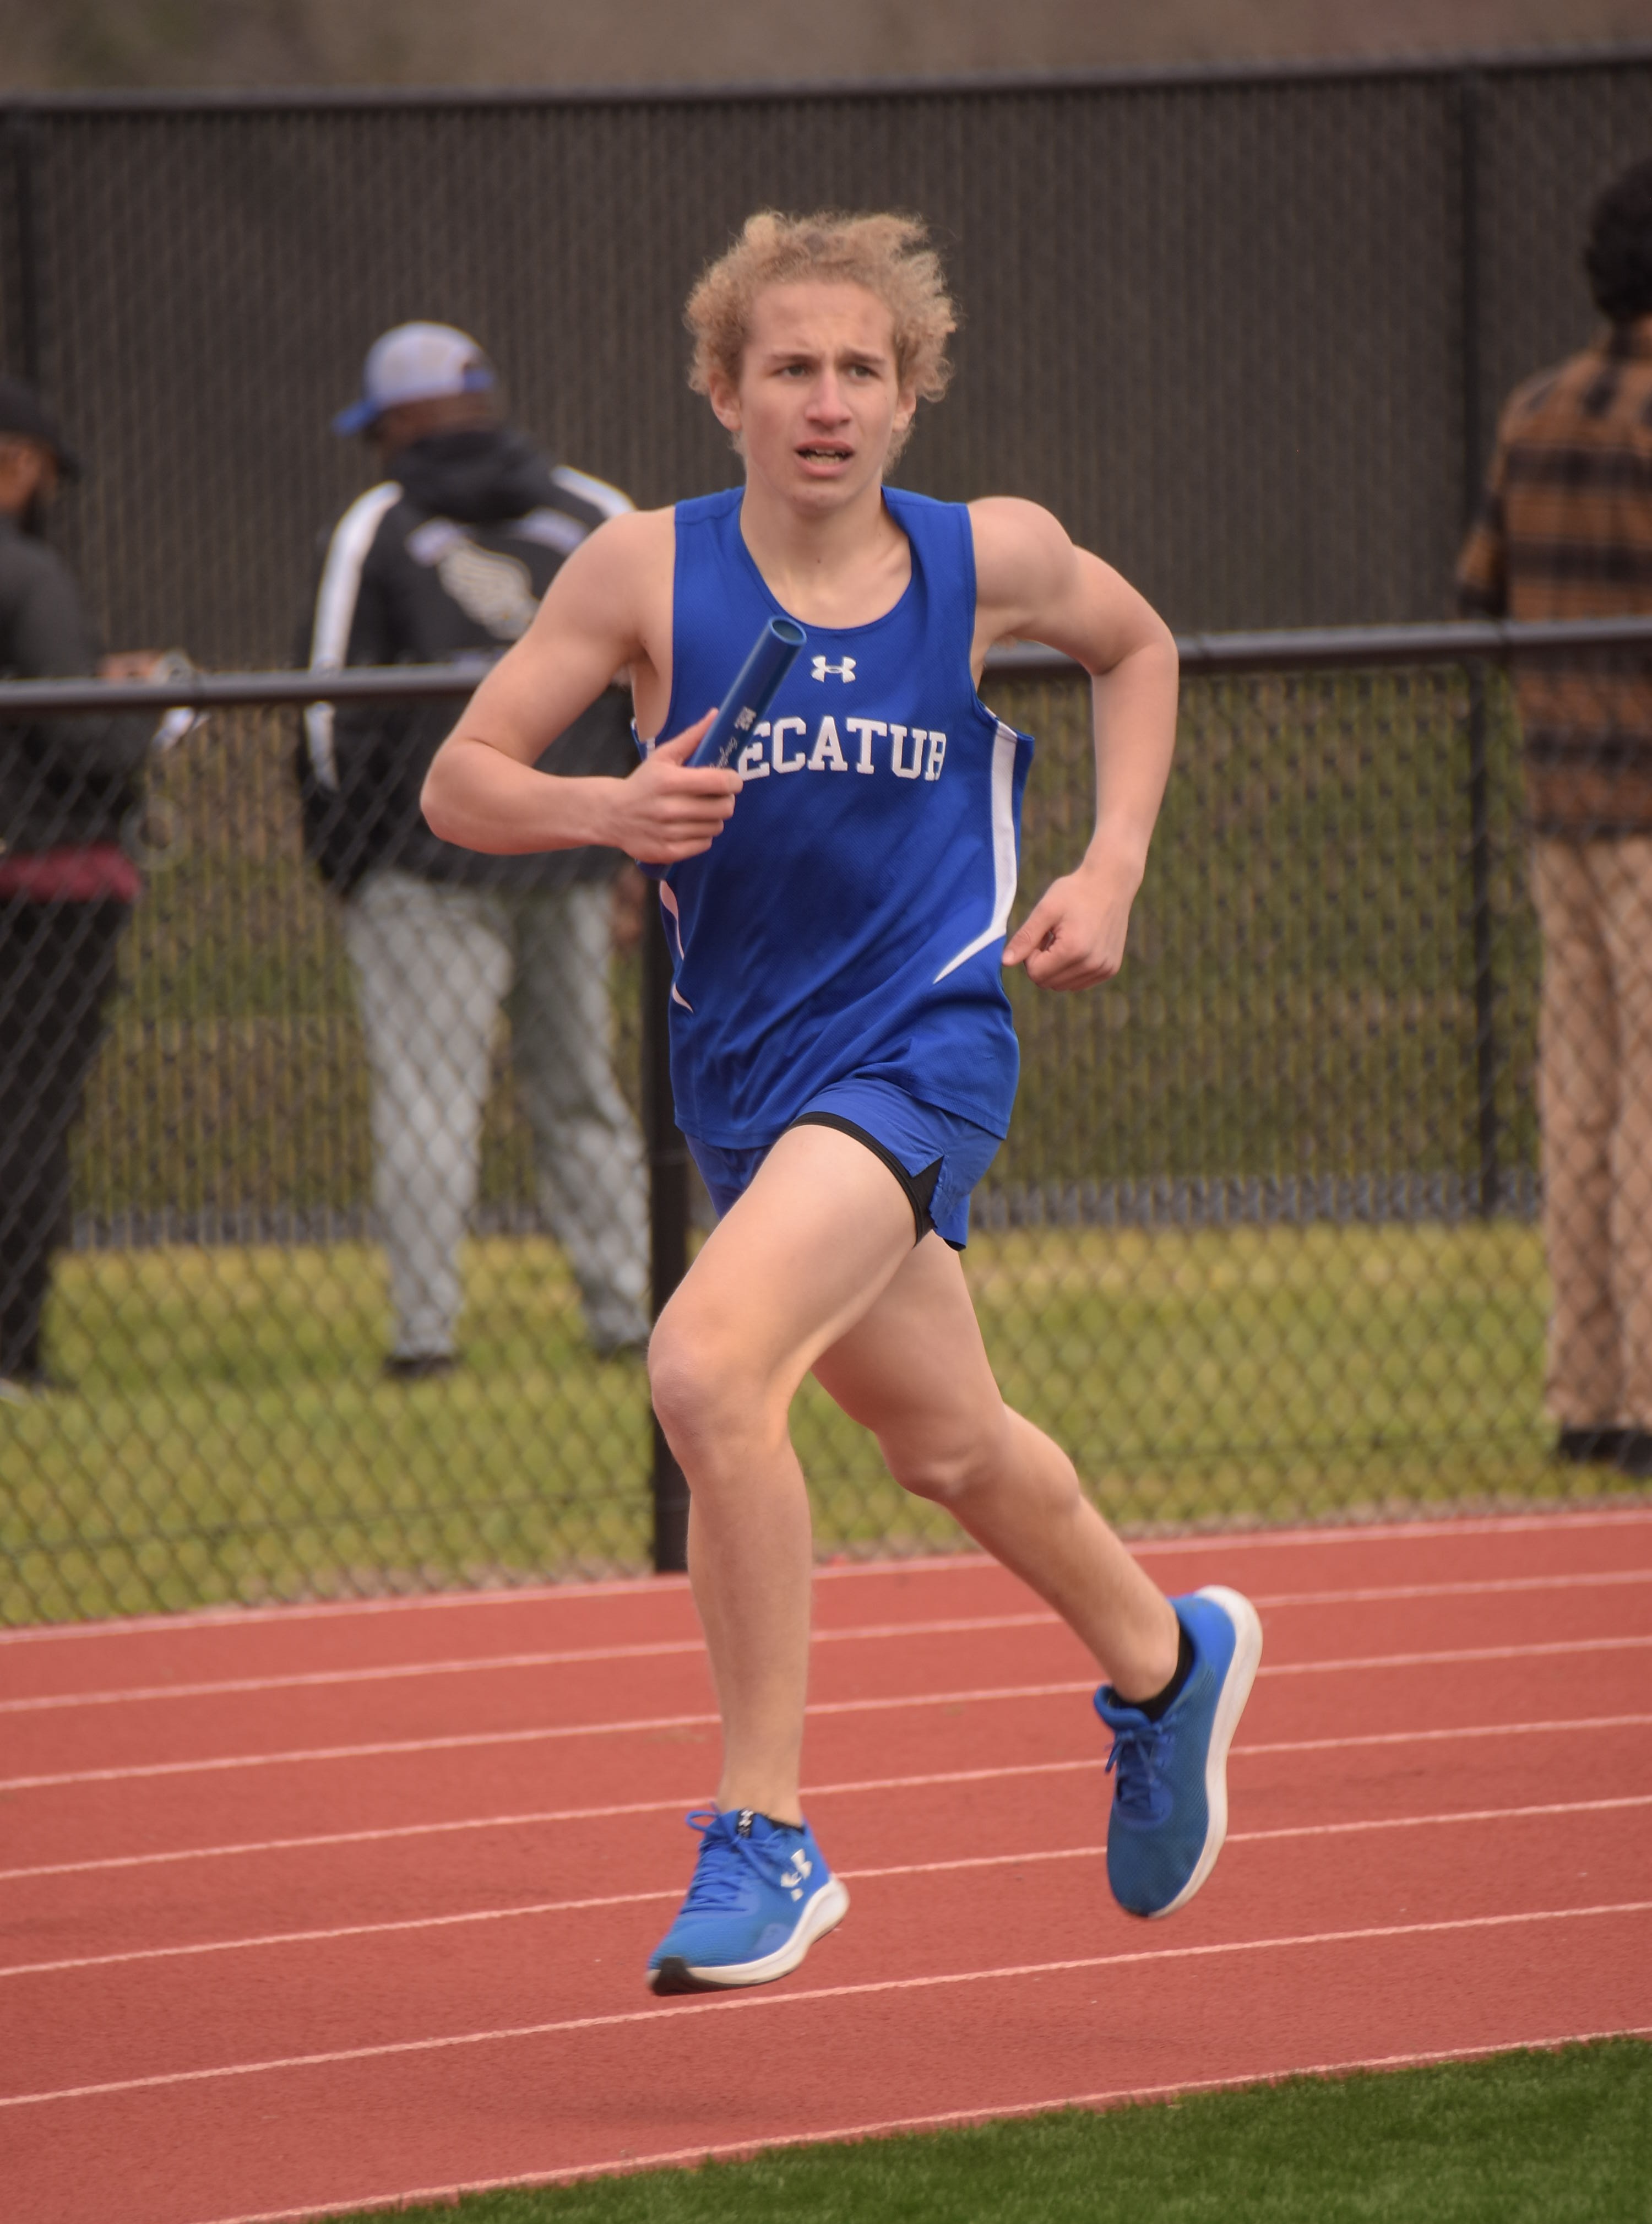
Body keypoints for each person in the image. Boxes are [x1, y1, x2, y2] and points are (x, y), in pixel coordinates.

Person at [422, 211, 1262, 1991]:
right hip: (749, 1082)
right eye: (790, 368)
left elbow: (1142, 646)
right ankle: (1165, 1658)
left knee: (708, 1363)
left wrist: (1111, 865)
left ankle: (766, 1826)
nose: (826, 401)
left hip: (923, 1044)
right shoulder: (644, 573)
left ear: (908, 395)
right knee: (945, 1443)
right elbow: (461, 779)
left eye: (860, 370)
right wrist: (608, 809)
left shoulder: (986, 556)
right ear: (724, 391)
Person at [298, 322, 650, 1375]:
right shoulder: (596, 513)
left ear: (402, 422)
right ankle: (629, 1314)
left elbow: (329, 712)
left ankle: (426, 1341)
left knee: (426, 1098)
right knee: (581, 1088)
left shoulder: (381, 522)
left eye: (378, 430)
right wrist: (633, 846)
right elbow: (662, 686)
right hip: (577, 855)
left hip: (424, 863)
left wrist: (349, 856)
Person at [1458, 157, 1652, 1484]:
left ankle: (1585, 1390)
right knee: (1645, 1107)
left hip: (1559, 810)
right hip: (1649, 808)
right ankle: (1646, 1397)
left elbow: (1479, 593)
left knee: (1576, 1098)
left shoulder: (1534, 414)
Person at [0, 377, 162, 1401]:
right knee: (28, 1110)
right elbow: (88, 741)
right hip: (50, 884)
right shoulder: (29, 574)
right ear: (19, 463)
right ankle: (14, 1347)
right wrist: (139, 705)